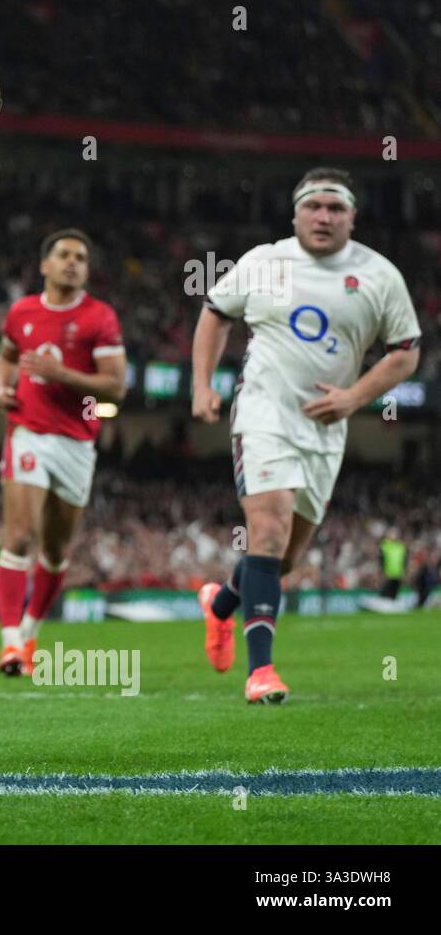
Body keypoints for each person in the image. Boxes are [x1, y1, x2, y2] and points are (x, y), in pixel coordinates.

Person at [191, 168, 421, 703]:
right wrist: (203, 385)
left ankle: (220, 604)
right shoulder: (263, 261)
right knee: (267, 533)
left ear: (352, 217)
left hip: (326, 429)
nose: (323, 217)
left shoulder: (379, 275)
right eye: (313, 206)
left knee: (284, 559)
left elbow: (406, 351)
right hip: (264, 412)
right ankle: (262, 672)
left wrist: (354, 398)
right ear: (295, 214)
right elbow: (213, 314)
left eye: (335, 209)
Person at [0, 229, 125, 676]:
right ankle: (9, 643)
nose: (72, 262)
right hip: (27, 432)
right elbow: (7, 355)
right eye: (64, 255)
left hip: (77, 441)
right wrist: (1, 387)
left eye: (81, 257)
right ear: (44, 265)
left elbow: (115, 386)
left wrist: (59, 373)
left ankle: (30, 633)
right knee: (20, 536)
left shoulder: (99, 317)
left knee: (55, 549)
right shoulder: (22, 311)